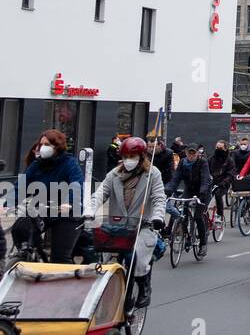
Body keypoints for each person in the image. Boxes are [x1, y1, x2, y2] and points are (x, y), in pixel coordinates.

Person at [91, 137, 167, 307]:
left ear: (141, 156)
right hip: (117, 228)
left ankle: (144, 286)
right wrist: (89, 210)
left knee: (137, 258)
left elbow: (159, 198)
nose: (128, 160)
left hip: (143, 227)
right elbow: (100, 193)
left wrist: (158, 217)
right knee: (99, 257)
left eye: (132, 156)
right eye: (125, 156)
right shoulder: (114, 174)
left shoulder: (152, 174)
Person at [11, 130, 85, 263]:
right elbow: (21, 186)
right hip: (44, 208)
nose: (43, 147)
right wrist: (8, 204)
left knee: (60, 257)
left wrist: (69, 203)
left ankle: (63, 280)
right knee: (20, 228)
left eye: (47, 144)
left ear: (57, 147)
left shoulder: (70, 163)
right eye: (41, 144)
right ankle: (31, 255)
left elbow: (76, 185)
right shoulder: (36, 164)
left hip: (67, 212)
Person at [167, 142, 213, 256]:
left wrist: (202, 192)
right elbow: (176, 179)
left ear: (198, 153)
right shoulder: (183, 162)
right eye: (189, 153)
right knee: (183, 211)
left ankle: (203, 244)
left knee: (198, 216)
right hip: (190, 189)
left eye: (194, 153)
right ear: (186, 153)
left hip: (203, 191)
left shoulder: (202, 163)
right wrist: (167, 190)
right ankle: (186, 235)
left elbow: (205, 179)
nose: (191, 156)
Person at [209, 140, 235, 222]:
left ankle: (220, 215)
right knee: (204, 196)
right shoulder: (211, 158)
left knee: (218, 195)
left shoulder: (229, 160)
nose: (218, 149)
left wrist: (224, 182)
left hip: (223, 184)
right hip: (212, 182)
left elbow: (231, 174)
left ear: (225, 149)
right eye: (217, 148)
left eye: (220, 148)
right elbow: (205, 169)